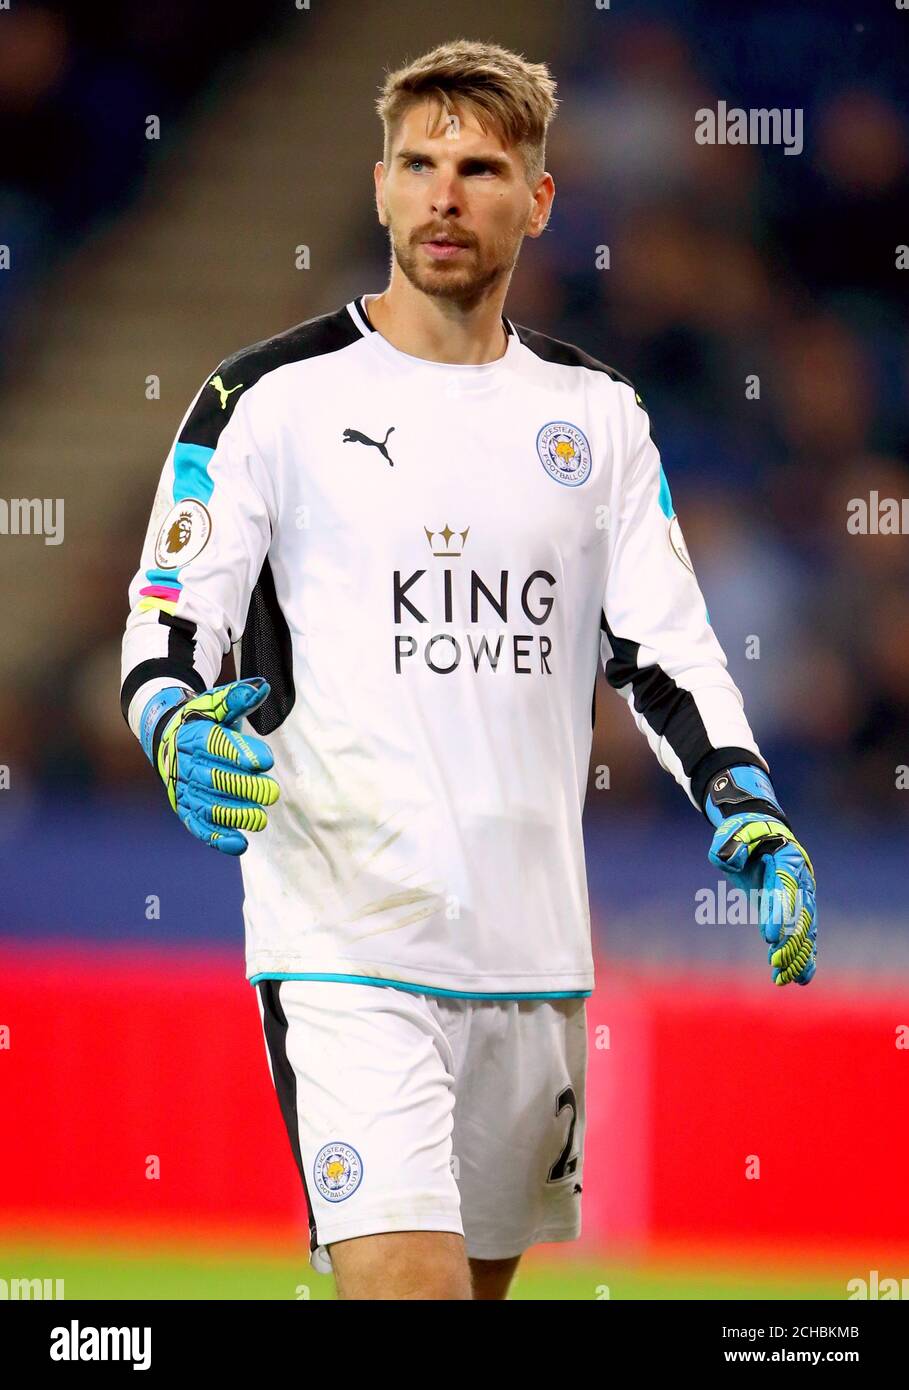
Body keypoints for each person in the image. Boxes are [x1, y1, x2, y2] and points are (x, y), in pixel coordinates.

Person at [119, 39, 816, 1301]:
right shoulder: (265, 401)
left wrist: (748, 803)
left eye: (482, 168)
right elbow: (170, 616)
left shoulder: (597, 418)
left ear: (538, 201)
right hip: (344, 931)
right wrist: (173, 723)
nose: (446, 195)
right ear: (380, 186)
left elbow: (666, 645)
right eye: (420, 165)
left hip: (532, 952)